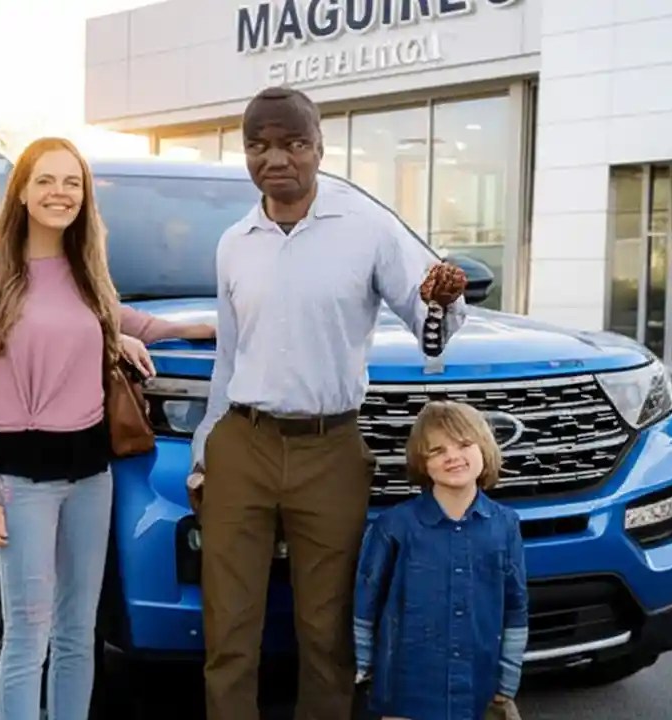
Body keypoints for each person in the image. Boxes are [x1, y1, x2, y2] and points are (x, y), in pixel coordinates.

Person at [187, 86, 470, 720]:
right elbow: (229, 360)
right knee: (229, 632)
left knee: (327, 632)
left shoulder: (366, 228)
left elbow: (435, 324)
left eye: (292, 142)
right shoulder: (235, 242)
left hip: (331, 449)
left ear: (318, 147)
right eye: (258, 145)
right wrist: (206, 450)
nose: (275, 158)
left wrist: (445, 299)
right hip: (243, 443)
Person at [0, 136, 214, 720]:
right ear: (20, 191)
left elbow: (130, 322)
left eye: (72, 183)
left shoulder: (87, 271)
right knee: (28, 632)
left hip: (93, 475)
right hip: (21, 479)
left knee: (77, 630)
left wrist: (209, 326)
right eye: (45, 180)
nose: (59, 193)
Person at [353, 400, 528, 720]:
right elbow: (366, 601)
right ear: (422, 462)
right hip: (405, 695)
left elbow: (515, 608)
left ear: (484, 449)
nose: (453, 456)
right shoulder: (394, 527)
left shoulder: (505, 525)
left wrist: (508, 680)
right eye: (437, 450)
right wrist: (364, 667)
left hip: (478, 692)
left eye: (463, 444)